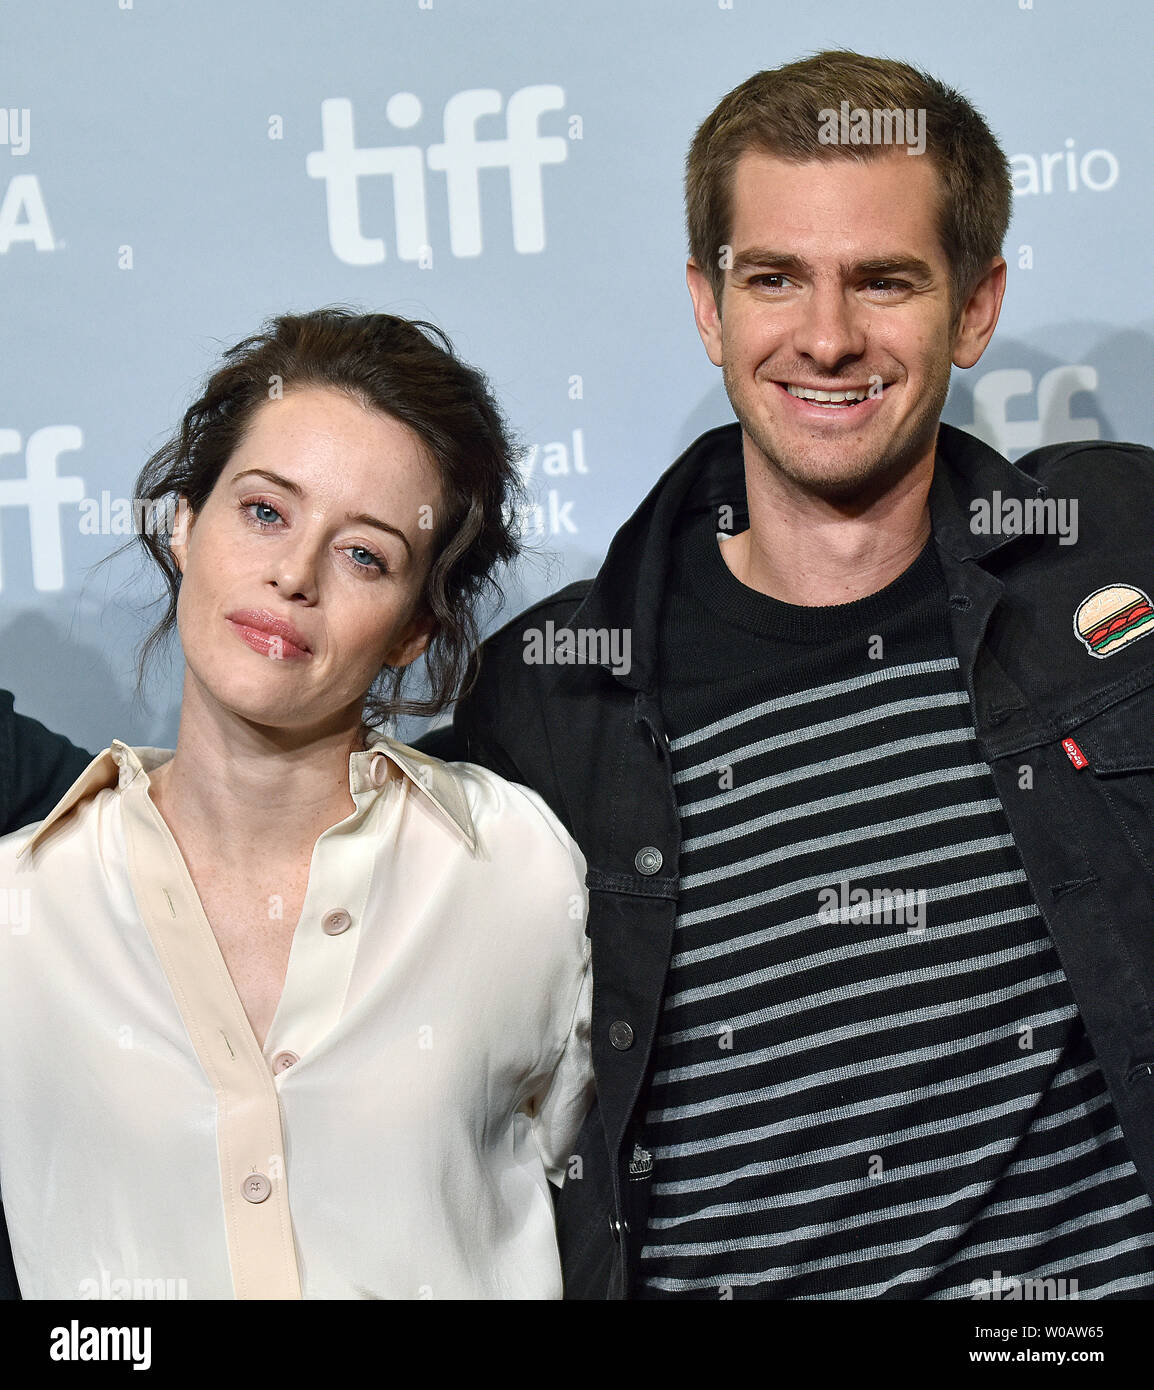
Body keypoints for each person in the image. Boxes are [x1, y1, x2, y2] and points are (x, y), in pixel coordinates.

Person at [430, 50, 1154, 1298]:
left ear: (973, 308)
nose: (826, 338)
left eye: (882, 281)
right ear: (710, 308)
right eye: (774, 278)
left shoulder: (1113, 544)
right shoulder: (552, 697)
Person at [0, 308, 593, 1300]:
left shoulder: (514, 869)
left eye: (363, 554)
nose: (292, 575)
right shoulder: (22, 911)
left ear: (413, 630)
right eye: (265, 511)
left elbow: (597, 1185)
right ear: (184, 521)